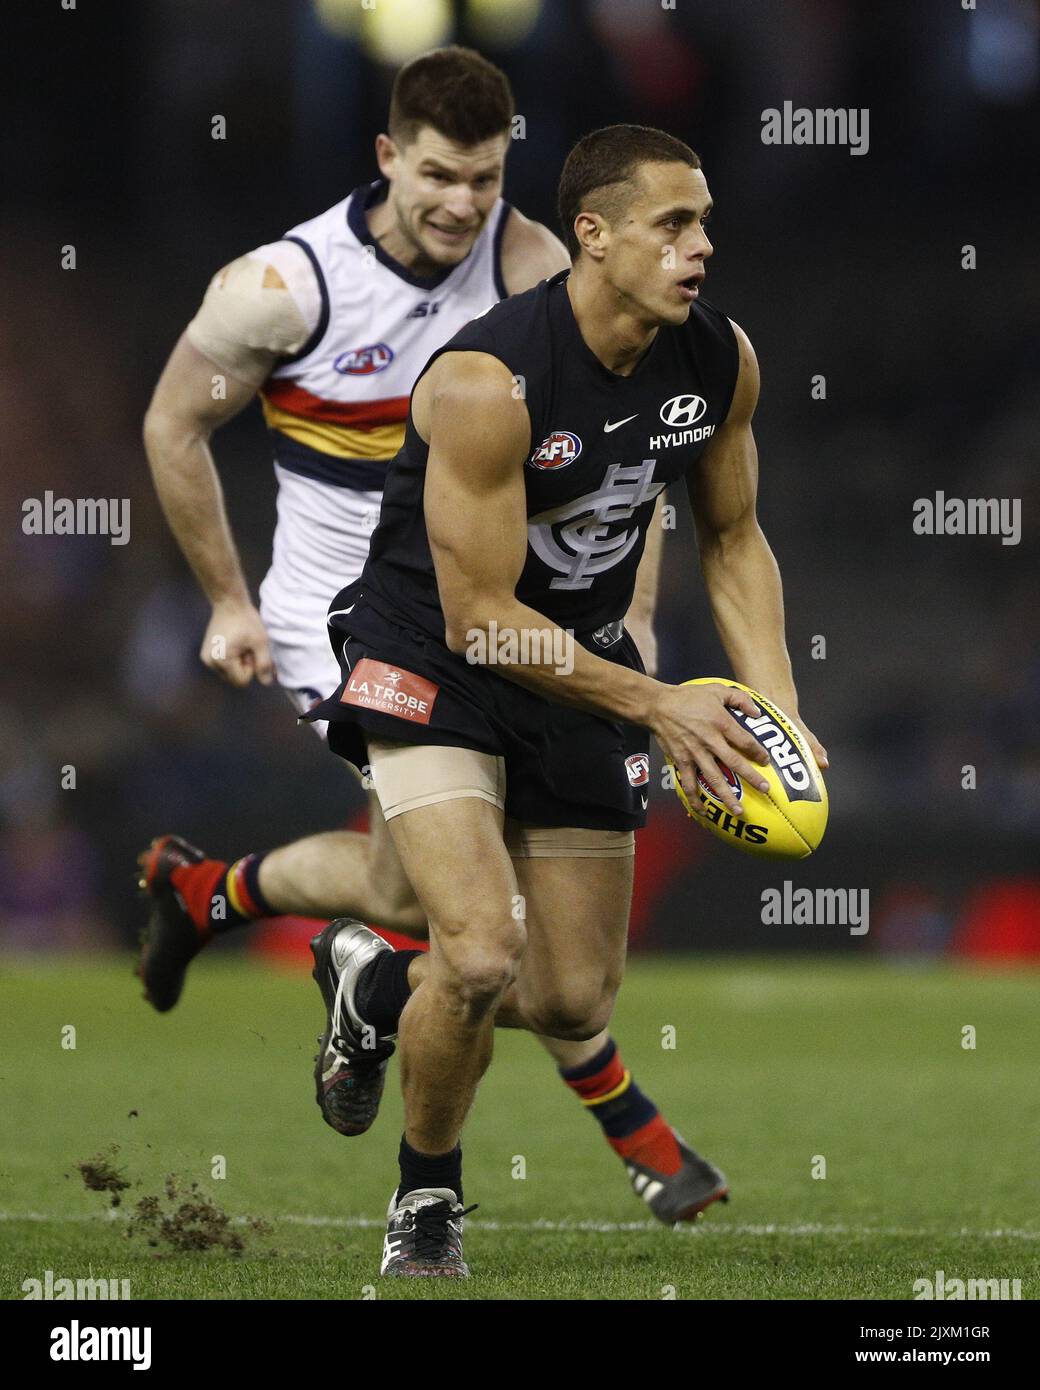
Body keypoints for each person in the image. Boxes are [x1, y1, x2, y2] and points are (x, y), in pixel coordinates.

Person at [140, 51, 719, 1228]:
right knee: (471, 922)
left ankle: (222, 895)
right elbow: (171, 427)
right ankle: (617, 1131)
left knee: (427, 902)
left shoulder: (538, 264)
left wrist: (639, 617)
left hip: (508, 610)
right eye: (442, 178)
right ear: (387, 158)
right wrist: (228, 602)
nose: (464, 204)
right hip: (349, 622)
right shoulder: (280, 287)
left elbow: (626, 454)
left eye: (488, 177)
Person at [301, 122, 829, 1278]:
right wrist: (659, 705)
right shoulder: (488, 385)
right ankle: (426, 1198)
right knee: (482, 953)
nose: (699, 249)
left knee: (570, 993)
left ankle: (371, 977)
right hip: (432, 658)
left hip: (578, 666)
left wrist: (771, 708)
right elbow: (479, 612)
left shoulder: (716, 359)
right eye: (671, 225)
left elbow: (734, 540)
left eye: (704, 226)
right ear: (590, 236)